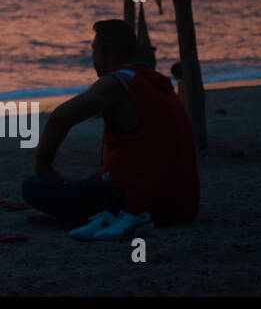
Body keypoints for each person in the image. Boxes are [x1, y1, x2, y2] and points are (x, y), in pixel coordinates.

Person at [22, 20, 199, 231]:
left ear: (105, 52)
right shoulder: (156, 83)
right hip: (182, 206)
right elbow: (146, 152)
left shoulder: (116, 83)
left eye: (93, 50)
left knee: (32, 186)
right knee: (78, 183)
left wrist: (43, 166)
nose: (92, 58)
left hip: (144, 206)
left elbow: (60, 117)